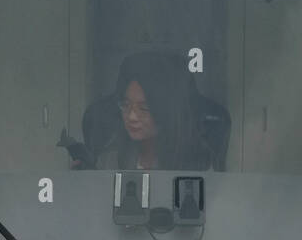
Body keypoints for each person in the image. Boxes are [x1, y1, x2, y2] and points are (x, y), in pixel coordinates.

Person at [74, 52, 230, 171]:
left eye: (144, 108)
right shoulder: (108, 162)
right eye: (126, 105)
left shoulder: (201, 165)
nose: (132, 116)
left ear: (167, 111)